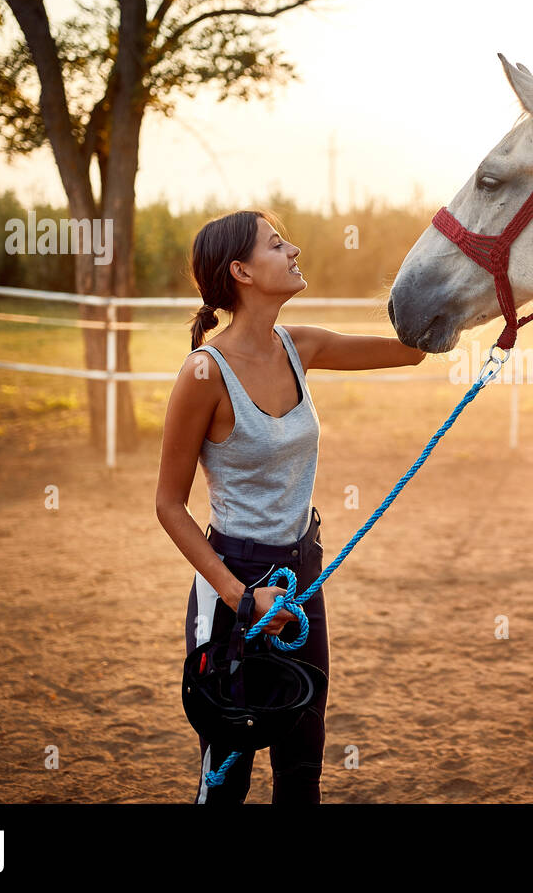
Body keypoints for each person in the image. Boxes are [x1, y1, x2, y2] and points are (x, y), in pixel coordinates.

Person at [155, 209, 425, 803]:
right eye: (277, 245)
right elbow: (169, 505)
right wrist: (242, 597)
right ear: (242, 272)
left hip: (302, 576)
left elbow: (411, 352)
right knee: (227, 774)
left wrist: (480, 298)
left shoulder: (299, 346)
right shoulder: (205, 373)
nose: (294, 249)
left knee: (302, 767)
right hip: (234, 582)